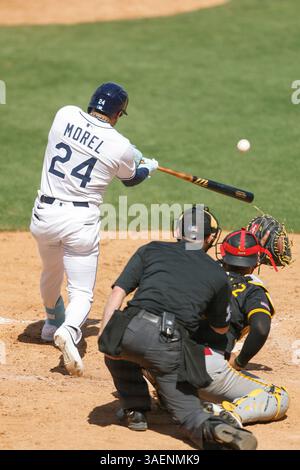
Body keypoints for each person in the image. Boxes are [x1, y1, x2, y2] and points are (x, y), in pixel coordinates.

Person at [98, 206, 257, 450]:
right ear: (211, 238)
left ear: (177, 231)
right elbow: (221, 329)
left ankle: (135, 409)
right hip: (168, 346)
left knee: (116, 349)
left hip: (131, 331)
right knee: (187, 410)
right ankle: (211, 428)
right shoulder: (217, 274)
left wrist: (106, 335)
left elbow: (118, 292)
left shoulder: (150, 249)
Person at [30, 82, 158, 376]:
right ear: (117, 114)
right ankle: (69, 329)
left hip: (44, 215)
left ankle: (51, 324)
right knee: (82, 291)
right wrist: (145, 167)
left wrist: (127, 154)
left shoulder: (64, 114)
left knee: (51, 271)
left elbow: (88, 141)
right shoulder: (120, 145)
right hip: (79, 223)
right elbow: (130, 179)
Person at [195, 228, 289, 425]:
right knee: (277, 396)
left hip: (162, 358)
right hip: (205, 370)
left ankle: (169, 395)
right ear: (255, 263)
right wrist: (239, 363)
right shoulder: (252, 291)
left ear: (222, 254)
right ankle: (230, 414)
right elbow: (261, 328)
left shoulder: (199, 273)